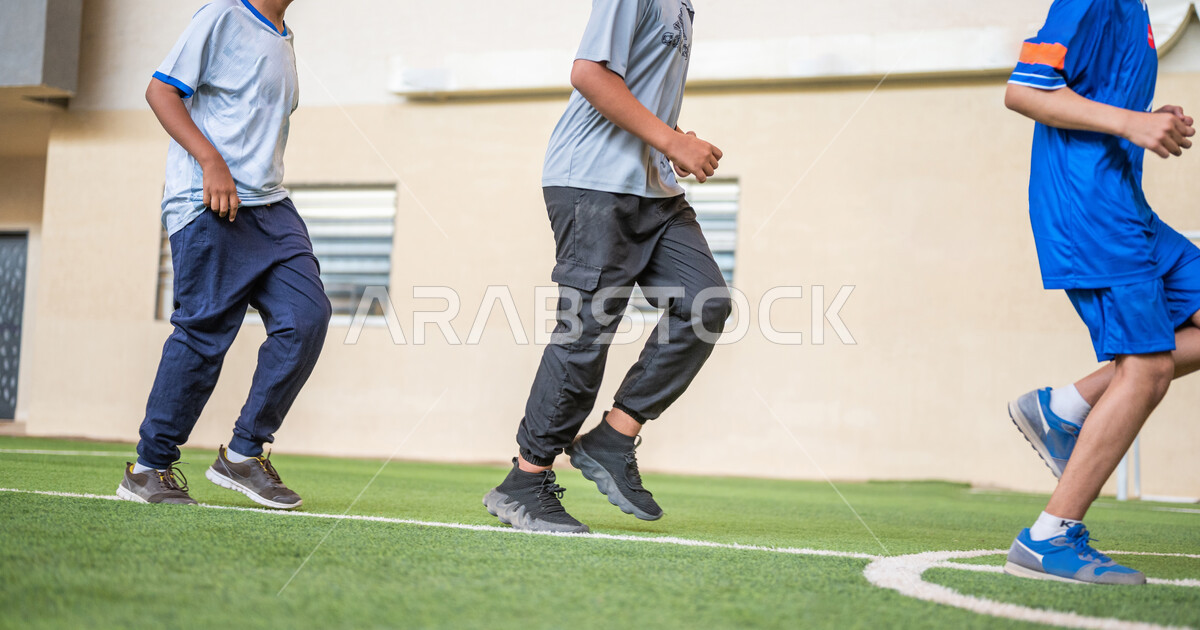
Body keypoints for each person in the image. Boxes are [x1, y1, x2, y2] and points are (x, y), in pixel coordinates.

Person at [483, 0, 731, 533]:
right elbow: (589, 73)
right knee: (586, 333)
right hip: (592, 181)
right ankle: (525, 481)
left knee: (705, 304)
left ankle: (613, 437)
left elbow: (637, 86)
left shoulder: (685, 7)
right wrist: (672, 140)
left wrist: (671, 135)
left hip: (652, 187)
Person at [1002, 0, 1195, 584]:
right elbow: (1024, 90)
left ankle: (1064, 407)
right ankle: (1048, 538)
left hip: (1127, 207)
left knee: (1152, 359)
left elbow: (1094, 99)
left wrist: (1148, 115)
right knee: (1148, 368)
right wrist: (1132, 122)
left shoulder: (1136, 13)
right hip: (1090, 212)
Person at [117, 0, 331, 509]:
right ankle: (149, 467)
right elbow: (160, 91)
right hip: (210, 198)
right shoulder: (221, 16)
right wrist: (211, 161)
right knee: (205, 334)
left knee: (308, 316)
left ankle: (243, 453)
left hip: (270, 204)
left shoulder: (283, 35)